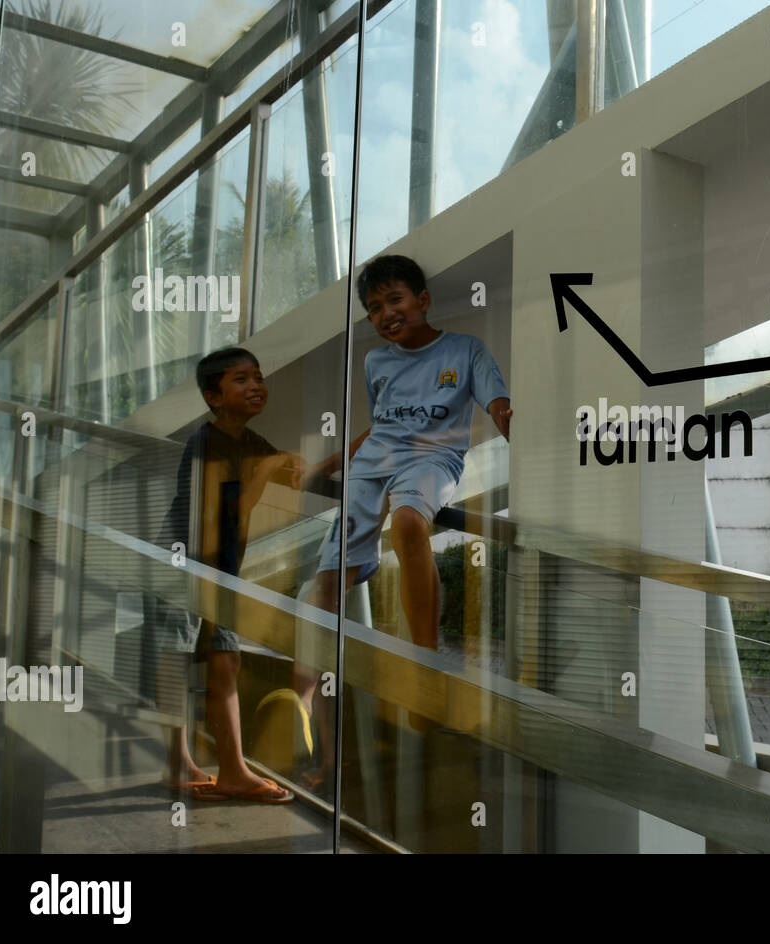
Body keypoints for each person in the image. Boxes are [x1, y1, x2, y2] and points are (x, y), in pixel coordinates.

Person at [293, 255, 511, 769]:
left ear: (423, 301)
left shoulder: (466, 349)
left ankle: (425, 666)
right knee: (324, 586)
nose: (385, 313)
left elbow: (499, 405)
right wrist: (327, 464)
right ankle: (301, 708)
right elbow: (381, 425)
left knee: (409, 524)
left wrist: (515, 425)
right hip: (372, 466)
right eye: (373, 308)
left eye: (395, 300)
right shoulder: (376, 362)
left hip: (433, 458)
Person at [149, 347, 300, 803]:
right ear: (214, 396)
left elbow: (290, 471)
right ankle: (178, 762)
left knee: (225, 661)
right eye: (241, 379)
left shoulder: (250, 441)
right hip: (182, 564)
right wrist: (271, 467)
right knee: (175, 659)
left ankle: (232, 770)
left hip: (218, 573)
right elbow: (230, 510)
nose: (256, 385)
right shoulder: (205, 442)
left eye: (258, 376)